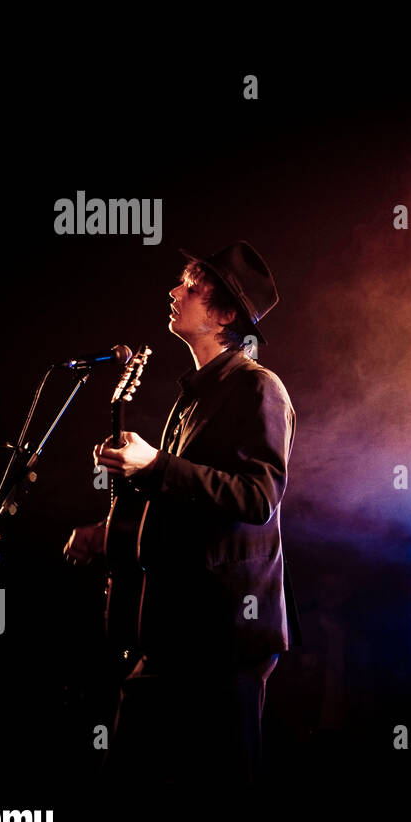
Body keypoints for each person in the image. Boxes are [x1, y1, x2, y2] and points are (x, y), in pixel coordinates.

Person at [63, 240, 299, 785]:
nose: (174, 292)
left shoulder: (258, 388)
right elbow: (187, 509)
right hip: (175, 632)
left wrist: (155, 464)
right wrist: (110, 534)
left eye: (191, 288)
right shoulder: (194, 396)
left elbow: (258, 497)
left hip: (224, 640)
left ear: (224, 313)